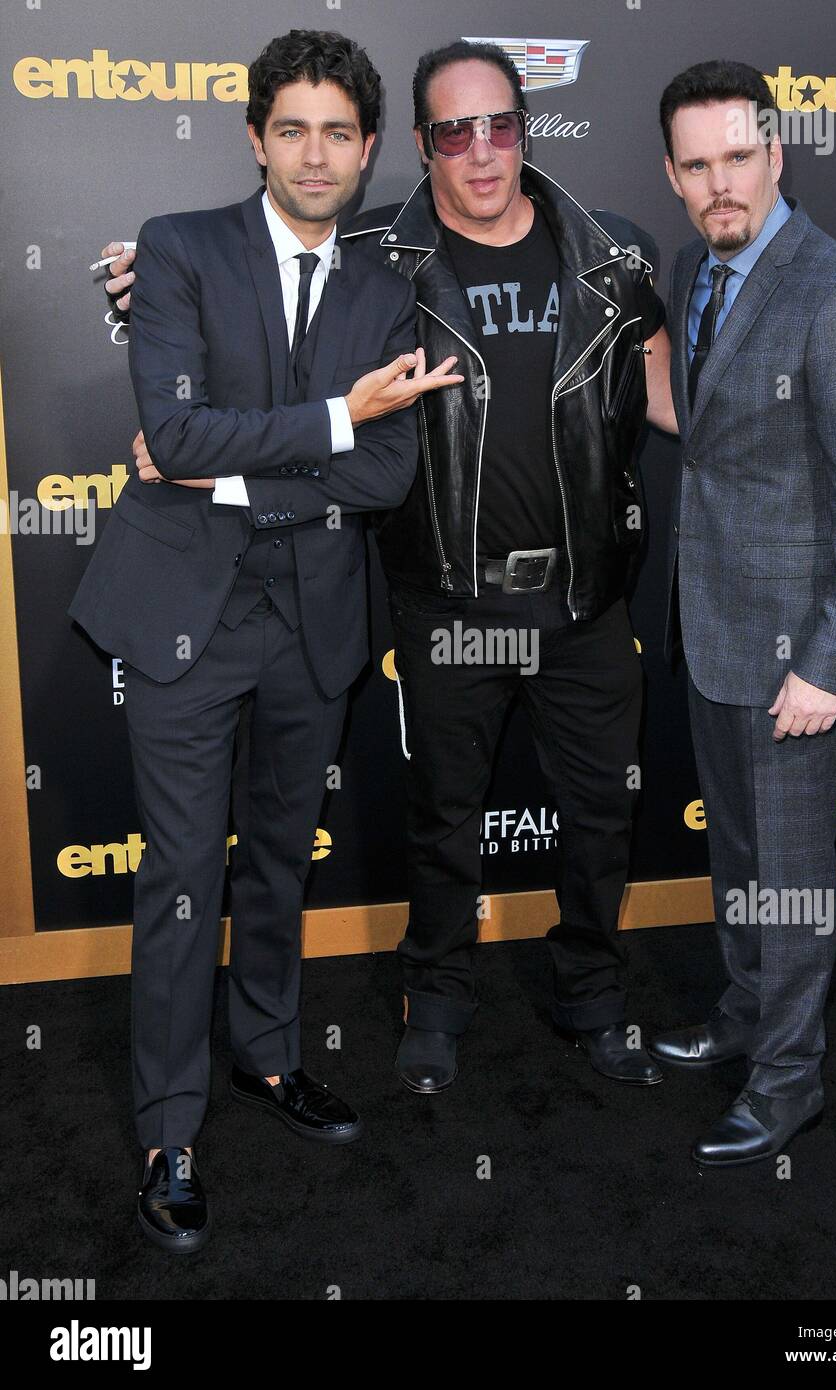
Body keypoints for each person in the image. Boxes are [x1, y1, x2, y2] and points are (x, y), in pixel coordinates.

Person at [104, 39, 678, 1100]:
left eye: (499, 123)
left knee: (601, 819)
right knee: (440, 816)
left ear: (525, 127)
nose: (480, 150)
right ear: (415, 146)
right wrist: (144, 288)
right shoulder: (386, 262)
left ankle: (593, 997)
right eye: (453, 131)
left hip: (587, 601)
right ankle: (433, 1003)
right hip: (448, 597)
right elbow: (262, 287)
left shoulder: (617, 255)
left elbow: (668, 398)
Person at [71, 28, 460, 1253]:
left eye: (337, 131)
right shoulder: (179, 249)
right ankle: (168, 1130)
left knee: (278, 861)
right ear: (253, 138)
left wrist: (245, 471)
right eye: (289, 127)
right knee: (183, 879)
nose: (313, 153)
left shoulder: (393, 282)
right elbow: (177, 440)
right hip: (184, 614)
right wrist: (333, 423)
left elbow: (391, 472)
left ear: (370, 148)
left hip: (315, 624)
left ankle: (268, 1058)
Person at [648, 60, 836, 1165]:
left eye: (740, 157)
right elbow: (711, 435)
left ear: (778, 152)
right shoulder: (694, 269)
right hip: (713, 629)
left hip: (798, 652)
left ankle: (790, 1079)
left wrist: (828, 663)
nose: (722, 185)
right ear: (672, 173)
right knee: (739, 853)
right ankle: (747, 1012)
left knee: (792, 873)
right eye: (698, 164)